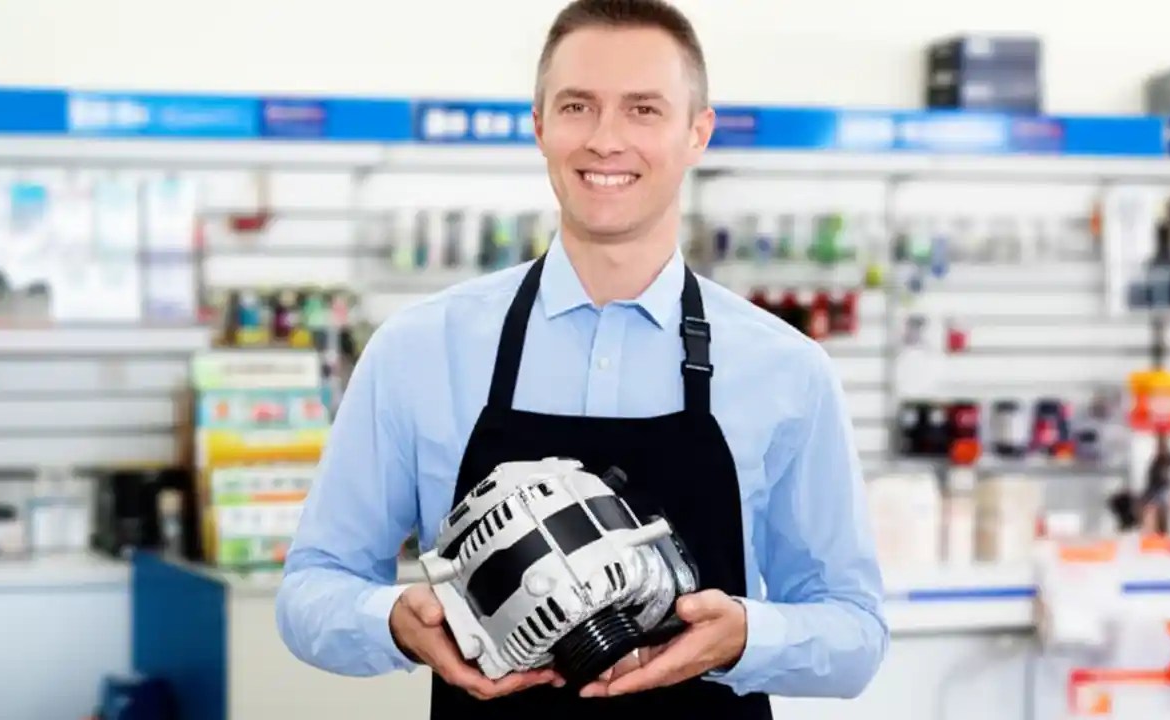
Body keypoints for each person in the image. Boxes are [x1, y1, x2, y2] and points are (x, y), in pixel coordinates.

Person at [276, 1, 888, 718]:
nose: (606, 140)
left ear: (698, 132)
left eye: (643, 110)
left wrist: (745, 638)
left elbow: (856, 632)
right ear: (539, 125)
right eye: (577, 106)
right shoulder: (419, 351)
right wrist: (393, 624)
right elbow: (312, 588)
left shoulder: (786, 369)